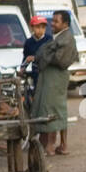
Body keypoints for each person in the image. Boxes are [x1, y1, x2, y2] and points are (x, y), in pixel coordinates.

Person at [32, 10, 78, 157]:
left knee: (52, 110)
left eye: (56, 21)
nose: (52, 23)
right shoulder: (57, 37)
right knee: (51, 108)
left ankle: (51, 145)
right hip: (49, 77)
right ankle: (59, 145)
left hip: (56, 78)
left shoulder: (66, 38)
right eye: (52, 20)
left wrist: (44, 53)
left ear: (65, 24)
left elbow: (59, 59)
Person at [22, 15, 51, 115]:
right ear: (32, 28)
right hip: (35, 72)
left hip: (47, 72)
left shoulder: (49, 40)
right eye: (38, 27)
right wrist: (22, 68)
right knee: (35, 93)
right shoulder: (29, 42)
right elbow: (25, 58)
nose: (40, 30)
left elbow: (50, 56)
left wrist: (34, 58)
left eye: (43, 27)